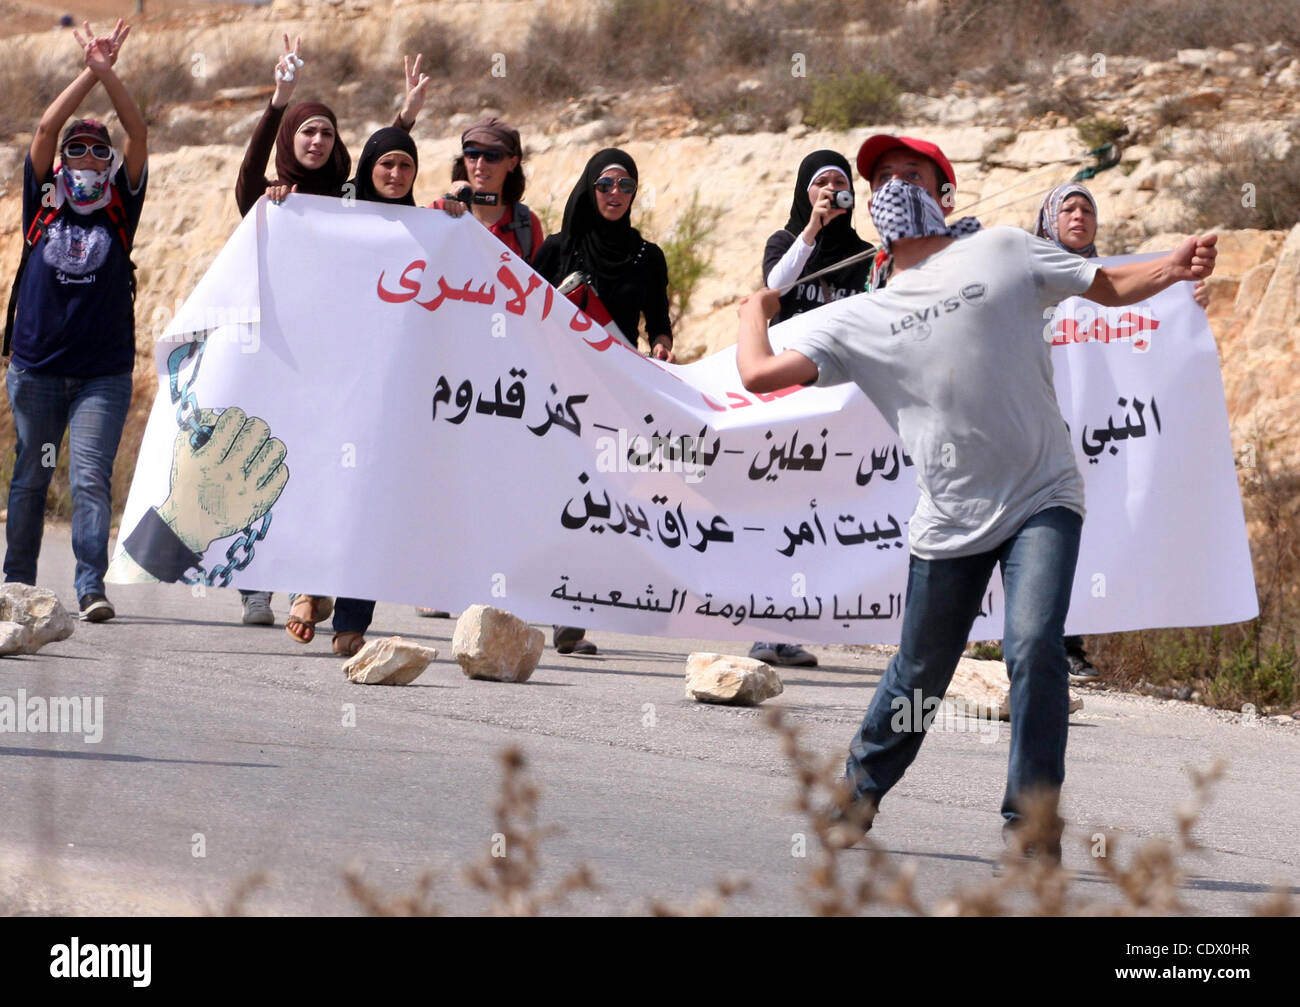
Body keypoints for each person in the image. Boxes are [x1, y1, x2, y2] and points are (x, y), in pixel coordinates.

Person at [735, 136, 1218, 856]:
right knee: (921, 672)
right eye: (885, 179)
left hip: (1042, 494)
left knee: (1033, 645)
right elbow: (760, 373)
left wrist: (1172, 268)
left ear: (945, 194)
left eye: (913, 175)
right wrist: (754, 306)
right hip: (950, 519)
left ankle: (1031, 827)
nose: (896, 186)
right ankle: (857, 793)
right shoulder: (858, 316)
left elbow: (1106, 286)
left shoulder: (1005, 251)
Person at [232, 36, 427, 629]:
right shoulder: (274, 197)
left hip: (344, 365)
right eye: (305, 131)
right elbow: (245, 183)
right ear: (290, 139)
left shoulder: (350, 197)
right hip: (286, 357)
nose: (316, 141)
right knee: (270, 467)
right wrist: (278, 100)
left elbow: (382, 169)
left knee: (328, 474)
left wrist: (407, 117)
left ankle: (312, 589)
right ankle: (256, 581)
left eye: (325, 132)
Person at [3, 20, 147, 623]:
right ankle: (17, 584)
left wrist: (110, 73)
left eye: (97, 149)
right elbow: (42, 127)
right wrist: (88, 69)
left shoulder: (120, 203)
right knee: (32, 481)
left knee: (90, 479)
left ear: (110, 161)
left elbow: (140, 131)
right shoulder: (43, 197)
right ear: (62, 159)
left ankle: (91, 587)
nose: (87, 156)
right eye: (77, 148)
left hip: (102, 375)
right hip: (37, 368)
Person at [531, 148, 674, 655]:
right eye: (606, 185)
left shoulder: (647, 255)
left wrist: (660, 341)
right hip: (556, 396)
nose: (616, 195)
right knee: (554, 498)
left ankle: (571, 613)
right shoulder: (558, 248)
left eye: (626, 185)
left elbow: (657, 317)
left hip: (616, 397)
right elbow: (520, 309)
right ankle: (543, 606)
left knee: (602, 501)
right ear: (589, 188)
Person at [748, 149, 876, 668]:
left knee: (815, 518)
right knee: (776, 510)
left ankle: (787, 630)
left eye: (838, 184)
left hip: (837, 400)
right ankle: (761, 631)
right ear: (805, 193)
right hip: (787, 395)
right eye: (820, 184)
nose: (830, 191)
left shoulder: (866, 256)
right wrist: (812, 230)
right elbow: (773, 290)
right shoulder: (786, 243)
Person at [429, 117, 544, 264]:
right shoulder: (440, 211)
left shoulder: (527, 224)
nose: (480, 165)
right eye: (472, 155)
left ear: (512, 163)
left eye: (492, 156)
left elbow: (539, 282)